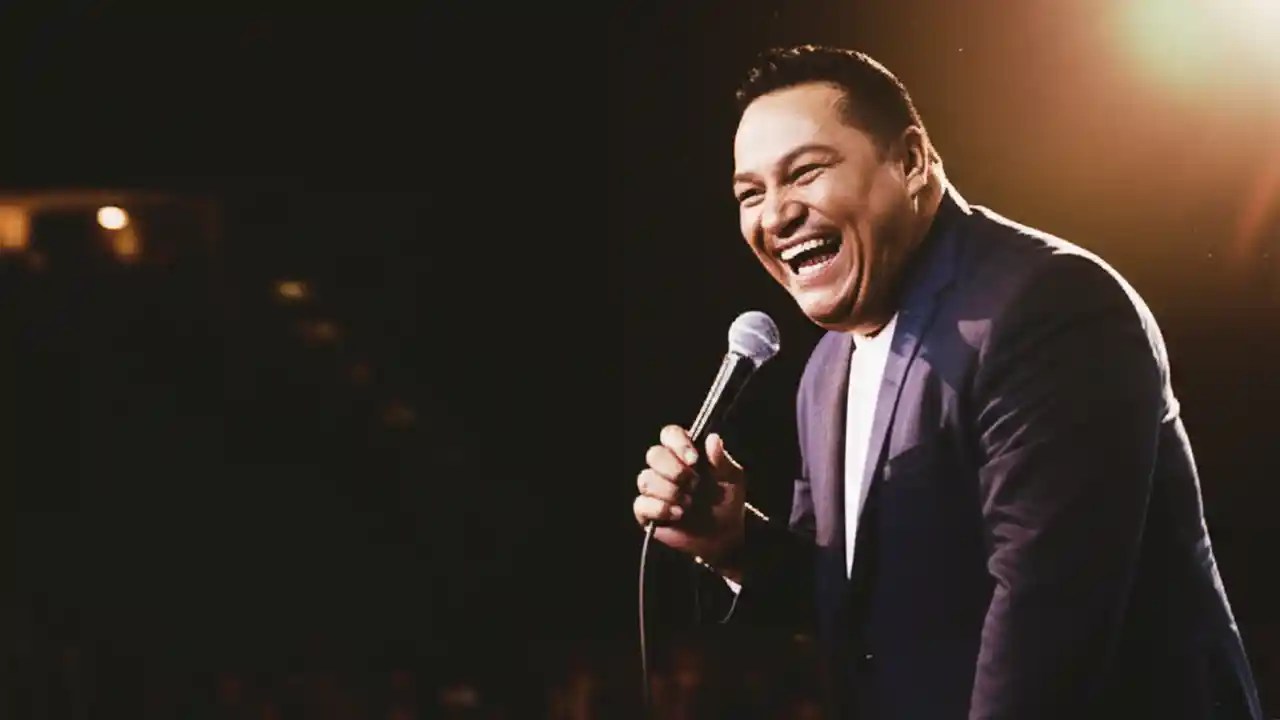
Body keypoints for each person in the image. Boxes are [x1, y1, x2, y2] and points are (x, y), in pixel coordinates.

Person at [631, 45, 1264, 719]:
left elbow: (1044, 631)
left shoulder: (1046, 306)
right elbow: (854, 610)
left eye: (805, 173)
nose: (775, 214)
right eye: (751, 193)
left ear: (909, 162)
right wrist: (734, 543)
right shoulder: (825, 372)